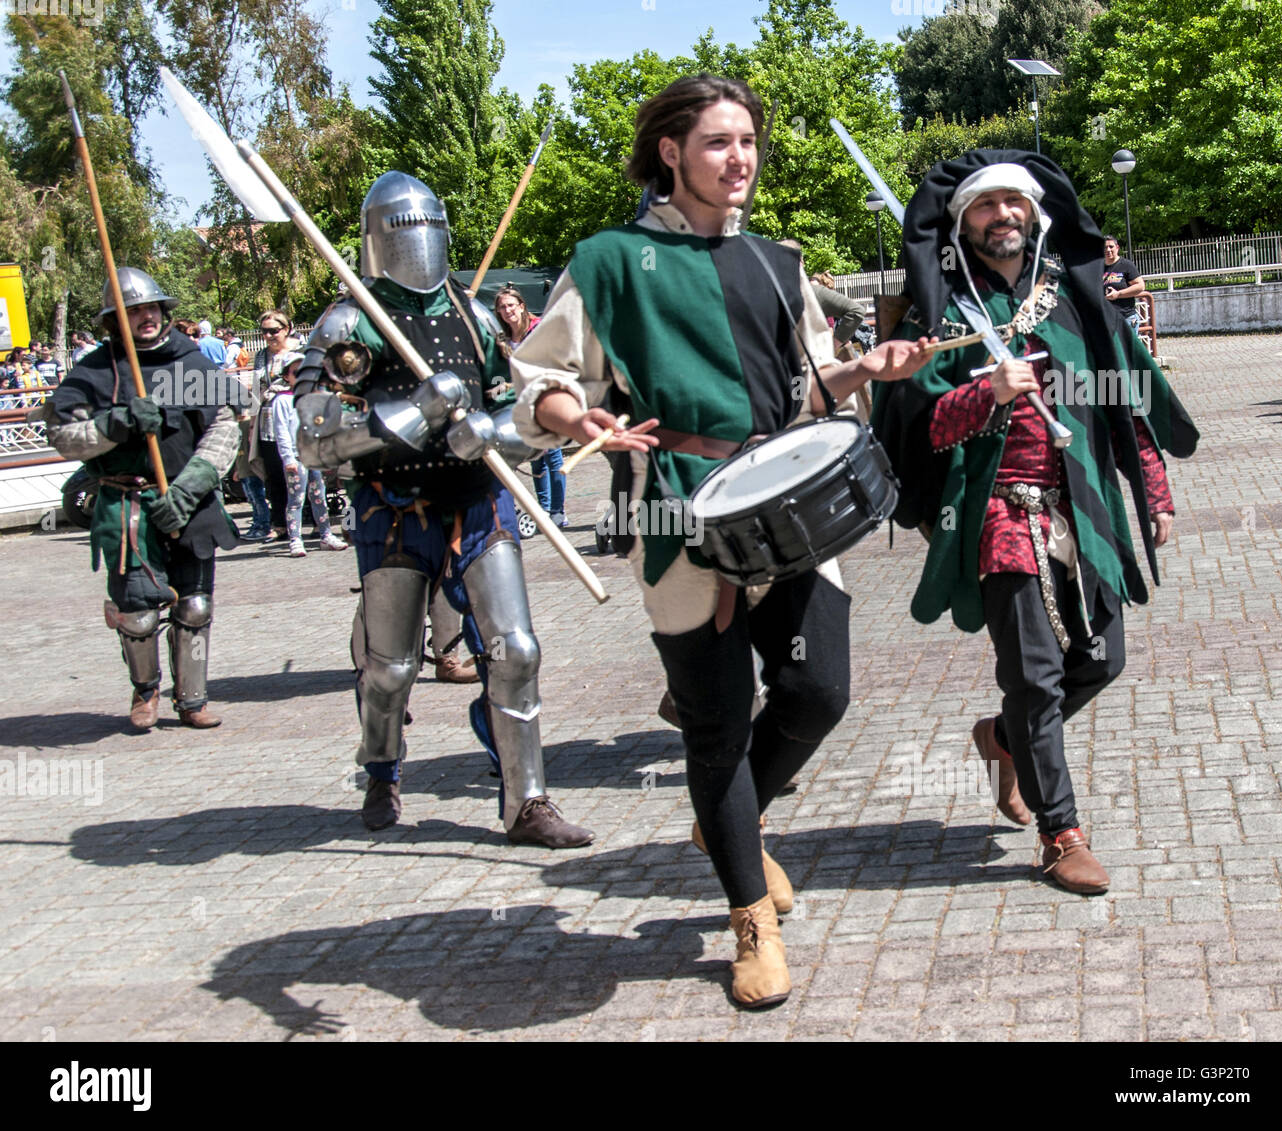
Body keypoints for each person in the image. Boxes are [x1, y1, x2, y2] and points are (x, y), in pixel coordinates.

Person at [510, 75, 932, 1008]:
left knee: (821, 689)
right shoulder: (611, 261)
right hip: (674, 511)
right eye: (716, 142)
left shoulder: (777, 263)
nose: (738, 159)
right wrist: (572, 414)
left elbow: (809, 383)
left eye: (747, 142)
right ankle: (751, 917)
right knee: (713, 721)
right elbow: (538, 377)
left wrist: (868, 366)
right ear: (671, 151)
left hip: (788, 495)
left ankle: (724, 817)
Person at [871, 150, 1198, 895]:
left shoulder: (1074, 300)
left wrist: (1154, 490)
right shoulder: (946, 315)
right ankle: (1062, 834)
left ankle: (1003, 738)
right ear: (964, 225)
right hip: (997, 511)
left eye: (1014, 203)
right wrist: (984, 394)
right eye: (986, 207)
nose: (1003, 216)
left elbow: (1122, 402)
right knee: (1037, 676)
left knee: (1104, 659)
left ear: (1034, 215)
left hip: (1082, 507)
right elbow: (922, 431)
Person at [293, 170, 594, 849]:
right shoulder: (348, 323)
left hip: (477, 501)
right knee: (391, 666)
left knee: (515, 649)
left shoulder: (476, 314)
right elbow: (314, 440)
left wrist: (492, 432)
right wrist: (412, 412)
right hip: (393, 505)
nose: (417, 239)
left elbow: (523, 414)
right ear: (377, 237)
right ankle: (381, 768)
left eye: (425, 224)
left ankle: (527, 800)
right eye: (403, 227)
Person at [42, 267, 242, 729]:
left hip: (188, 502)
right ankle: (146, 692)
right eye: (134, 311)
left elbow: (225, 425)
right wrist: (113, 425)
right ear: (116, 320)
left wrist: (193, 484)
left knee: (195, 606)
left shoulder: (189, 362)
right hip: (127, 508)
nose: (146, 317)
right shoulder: (94, 370)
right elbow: (62, 435)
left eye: (152, 308)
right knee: (136, 614)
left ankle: (192, 700)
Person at [494, 285, 567, 526]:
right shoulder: (503, 339)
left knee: (552, 457)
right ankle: (544, 510)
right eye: (502, 307)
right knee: (535, 457)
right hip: (522, 404)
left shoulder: (538, 329)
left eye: (511, 305)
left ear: (522, 306)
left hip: (545, 399)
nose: (507, 311)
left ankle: (557, 511)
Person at [266, 351, 348, 557]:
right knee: (296, 498)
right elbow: (281, 431)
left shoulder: (313, 398)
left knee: (319, 495)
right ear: (287, 376)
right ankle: (295, 538)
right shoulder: (282, 401)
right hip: (296, 456)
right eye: (295, 372)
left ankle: (326, 534)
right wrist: (287, 458)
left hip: (313, 455)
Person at [250, 311, 296, 541]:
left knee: (303, 473)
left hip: (293, 420)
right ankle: (280, 524)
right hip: (267, 422)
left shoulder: (298, 353)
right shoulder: (260, 357)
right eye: (264, 331)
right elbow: (256, 389)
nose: (268, 336)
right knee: (275, 475)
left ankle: (319, 522)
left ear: (286, 329)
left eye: (273, 331)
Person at [1102, 235, 1145, 332]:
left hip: (1126, 318)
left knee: (1126, 347)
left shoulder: (1126, 265)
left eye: (1111, 246)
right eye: (1105, 247)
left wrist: (1118, 294)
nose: (1108, 250)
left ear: (1117, 248)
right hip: (1106, 319)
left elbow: (1140, 286)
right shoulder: (1098, 267)